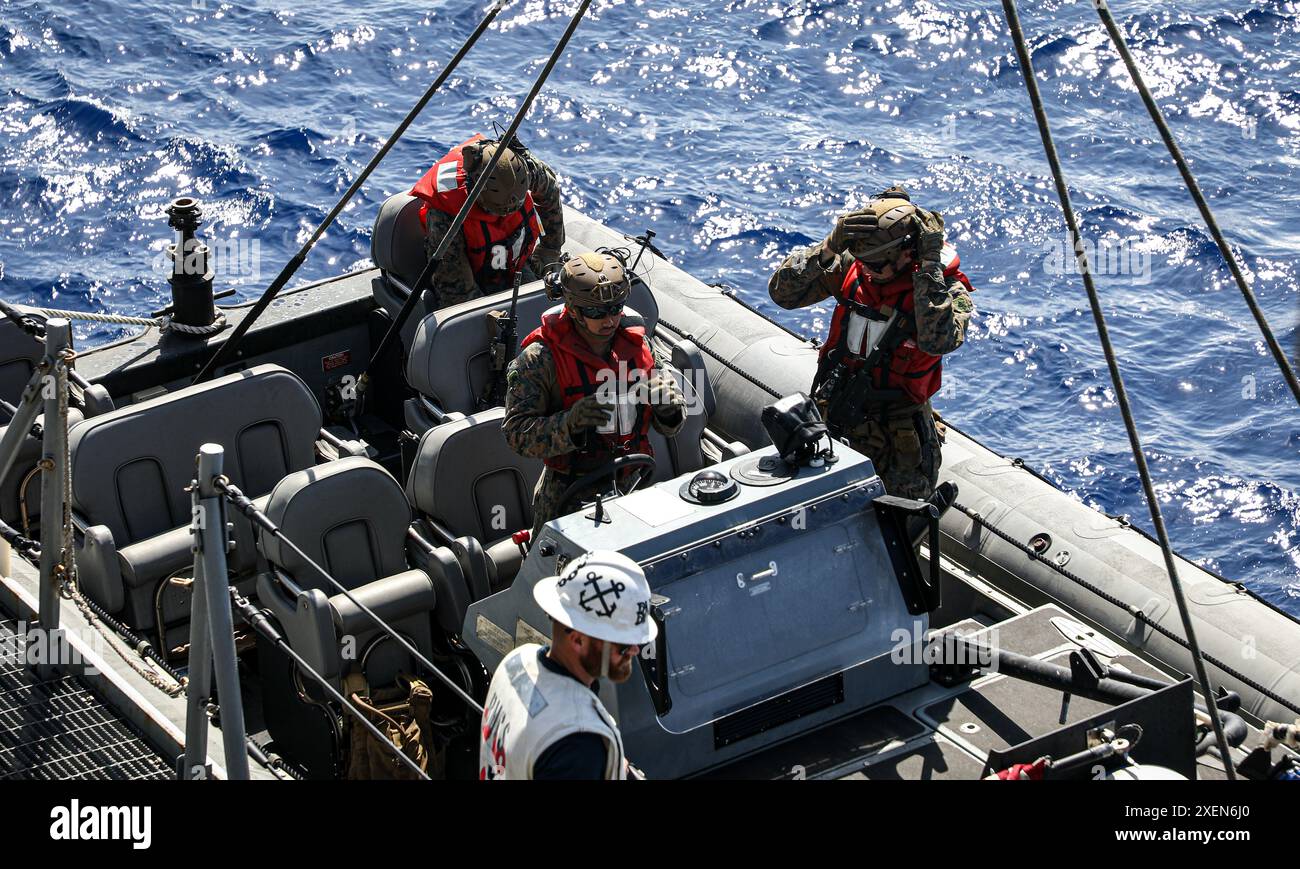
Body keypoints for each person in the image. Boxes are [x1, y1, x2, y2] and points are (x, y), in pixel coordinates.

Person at [768, 185, 975, 500]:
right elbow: (783, 294)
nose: (866, 269)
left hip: (898, 439)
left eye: (876, 265)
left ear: (908, 252)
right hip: (836, 410)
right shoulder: (857, 265)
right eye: (862, 260)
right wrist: (828, 248)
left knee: (896, 524)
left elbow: (939, 341)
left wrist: (930, 269)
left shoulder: (943, 288)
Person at [503, 251, 687, 537]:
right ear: (573, 310)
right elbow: (517, 435)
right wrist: (571, 423)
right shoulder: (540, 359)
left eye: (616, 308)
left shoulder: (639, 345)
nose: (609, 319)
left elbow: (672, 423)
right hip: (567, 496)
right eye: (596, 312)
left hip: (635, 484)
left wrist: (669, 408)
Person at [479, 550, 657, 780]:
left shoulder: (517, 662)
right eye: (624, 644)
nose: (635, 650)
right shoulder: (577, 745)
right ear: (578, 639)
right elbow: (569, 748)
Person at [409, 133, 565, 307]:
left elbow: (549, 189)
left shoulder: (526, 168)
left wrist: (550, 247)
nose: (505, 215)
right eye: (499, 210)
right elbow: (457, 292)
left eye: (511, 209)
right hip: (472, 277)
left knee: (550, 302)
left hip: (512, 263)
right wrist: (490, 316)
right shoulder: (445, 215)